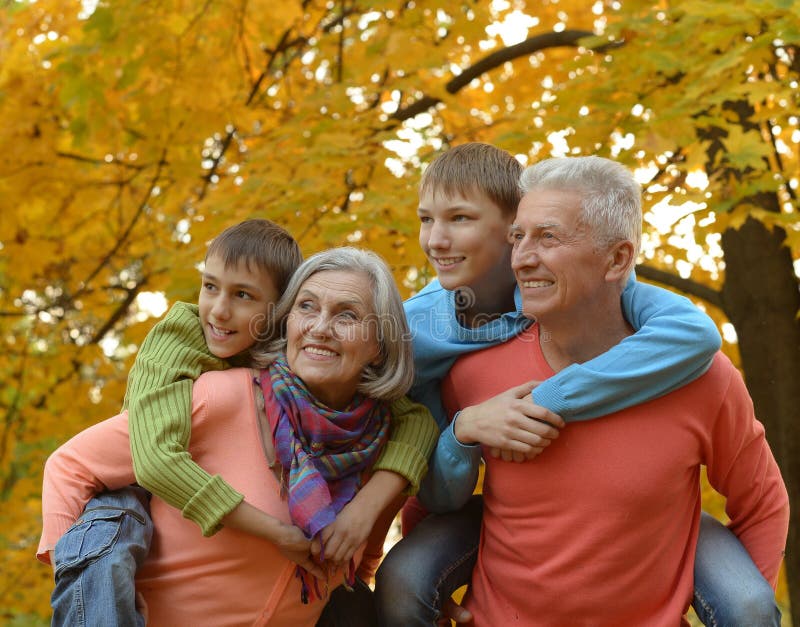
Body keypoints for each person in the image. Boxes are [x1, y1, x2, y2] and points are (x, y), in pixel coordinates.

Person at [374, 143, 784, 626]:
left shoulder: (703, 377)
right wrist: (432, 584)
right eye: (518, 237)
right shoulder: (470, 367)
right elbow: (435, 496)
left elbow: (761, 505)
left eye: (547, 238)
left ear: (617, 260)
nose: (521, 258)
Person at [44, 220, 438, 625]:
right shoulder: (219, 394)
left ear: (378, 346)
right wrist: (86, 591)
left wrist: (366, 508)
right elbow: (71, 466)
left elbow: (357, 569)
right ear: (285, 320)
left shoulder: (382, 450)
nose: (320, 328)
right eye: (307, 306)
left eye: (346, 315)